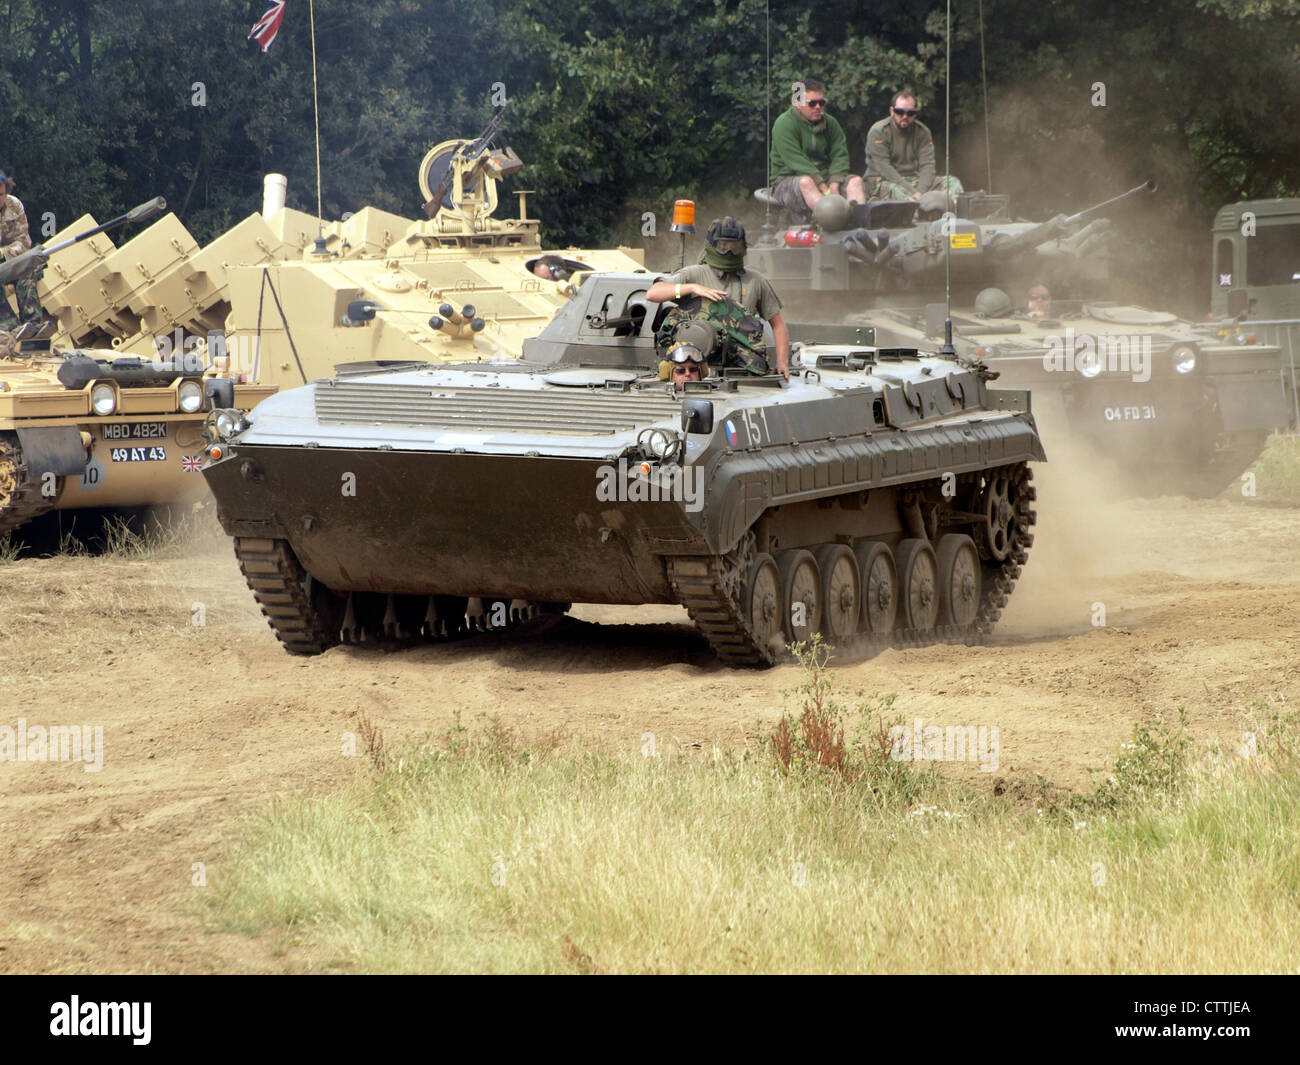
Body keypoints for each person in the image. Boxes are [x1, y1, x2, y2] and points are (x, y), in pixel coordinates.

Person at [645, 216, 790, 378]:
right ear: (713, 246)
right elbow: (653, 293)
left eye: (735, 246)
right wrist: (690, 288)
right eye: (723, 246)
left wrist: (782, 362)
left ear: (743, 247)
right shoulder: (694, 274)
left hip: (739, 367)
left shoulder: (755, 281)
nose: (729, 251)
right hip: (692, 367)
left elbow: (778, 325)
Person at [769, 79, 866, 215]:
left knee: (855, 182)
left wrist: (834, 183)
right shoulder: (783, 124)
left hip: (826, 177)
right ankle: (832, 218)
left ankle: (859, 224)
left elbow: (840, 154)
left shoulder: (831, 123)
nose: (818, 107)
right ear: (797, 103)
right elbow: (796, 161)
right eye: (812, 103)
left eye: (822, 103)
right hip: (787, 180)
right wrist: (822, 186)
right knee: (806, 182)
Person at [864, 91, 964, 204]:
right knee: (896, 191)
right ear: (892, 111)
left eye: (910, 113)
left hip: (913, 180)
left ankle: (951, 215)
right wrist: (912, 192)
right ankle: (918, 213)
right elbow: (884, 168)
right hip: (884, 181)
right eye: (899, 112)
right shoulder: (879, 131)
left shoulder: (923, 132)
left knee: (952, 182)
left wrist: (921, 192)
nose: (905, 116)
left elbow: (927, 165)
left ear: (915, 113)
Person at [0, 171, 42, 336]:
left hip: (11, 261)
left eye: (1, 194)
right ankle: (9, 326)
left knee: (28, 268)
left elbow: (24, 242)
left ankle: (32, 325)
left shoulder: (14, 205)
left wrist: (4, 253)